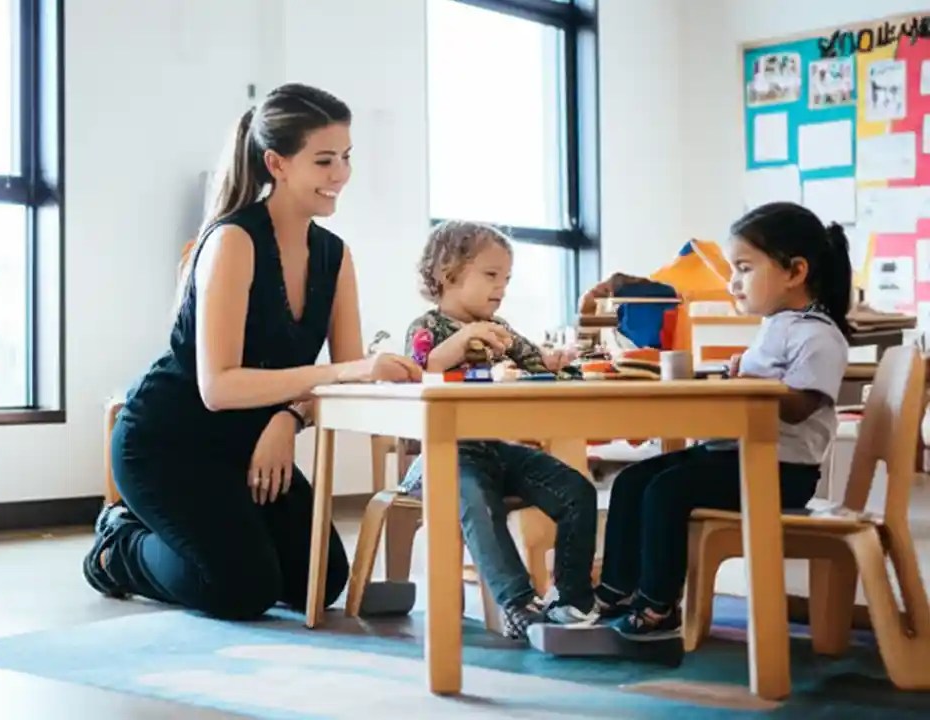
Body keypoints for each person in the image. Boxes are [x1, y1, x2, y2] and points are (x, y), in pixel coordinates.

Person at [83, 84, 422, 620]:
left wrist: (288, 416)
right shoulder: (233, 241)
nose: (341, 175)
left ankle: (189, 532)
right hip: (169, 445)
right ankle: (118, 546)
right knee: (241, 588)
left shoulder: (335, 257)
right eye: (325, 160)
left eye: (347, 158)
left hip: (252, 446)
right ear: (276, 163)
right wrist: (344, 371)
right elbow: (218, 387)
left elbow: (342, 387)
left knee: (322, 579)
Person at [594, 201, 853, 638]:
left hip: (780, 470)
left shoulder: (818, 333)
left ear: (795, 272)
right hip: (735, 455)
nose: (733, 282)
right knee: (633, 479)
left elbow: (800, 405)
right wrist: (744, 373)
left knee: (666, 491)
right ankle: (617, 588)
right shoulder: (779, 325)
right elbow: (767, 379)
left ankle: (657, 606)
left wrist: (753, 380)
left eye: (745, 268)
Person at [401, 220, 599, 640]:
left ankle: (572, 599)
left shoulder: (501, 330)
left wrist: (555, 362)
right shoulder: (427, 328)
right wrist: (465, 337)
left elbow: (533, 361)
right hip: (442, 455)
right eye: (491, 275)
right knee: (477, 500)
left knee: (577, 489)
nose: (501, 287)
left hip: (495, 451)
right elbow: (421, 368)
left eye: (506, 278)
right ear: (447, 272)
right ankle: (517, 603)